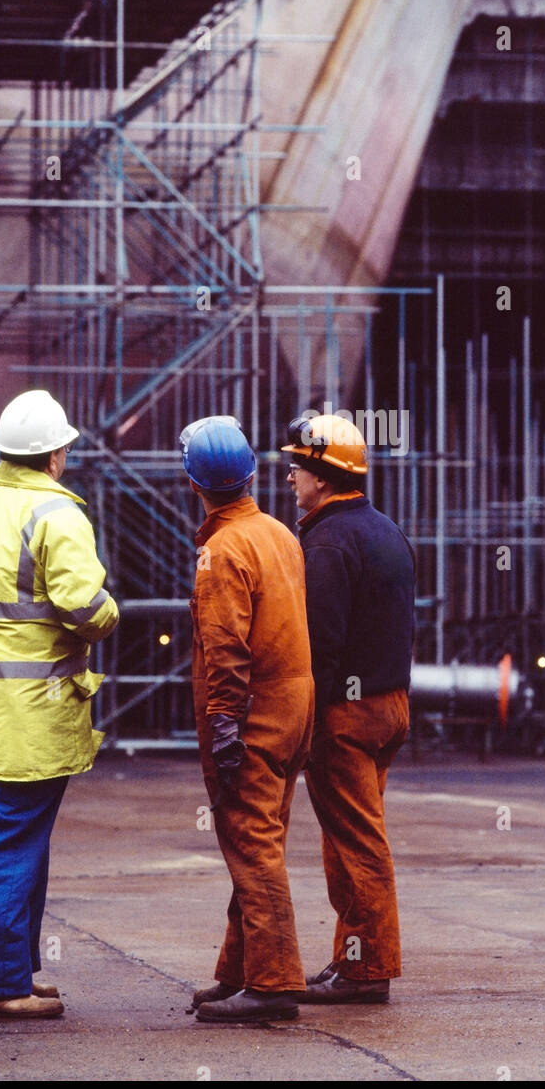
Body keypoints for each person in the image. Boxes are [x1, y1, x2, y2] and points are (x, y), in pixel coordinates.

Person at [0, 390, 119, 1020]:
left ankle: (14, 972)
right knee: (9, 843)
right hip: (37, 709)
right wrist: (110, 613)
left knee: (22, 839)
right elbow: (85, 609)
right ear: (55, 455)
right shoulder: (57, 515)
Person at [183, 415, 315, 1024]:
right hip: (294, 709)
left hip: (252, 712)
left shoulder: (222, 550)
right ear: (251, 475)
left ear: (194, 484)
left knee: (252, 845)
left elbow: (226, 647)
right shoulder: (279, 534)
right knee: (257, 840)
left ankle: (272, 983)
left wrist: (225, 724)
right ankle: (239, 972)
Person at [282, 413, 415, 1004]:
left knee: (357, 843)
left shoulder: (328, 543)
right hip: (389, 707)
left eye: (298, 466)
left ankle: (367, 971)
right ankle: (353, 960)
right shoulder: (385, 529)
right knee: (348, 838)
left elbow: (322, 645)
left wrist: (307, 725)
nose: (289, 475)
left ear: (323, 476)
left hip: (346, 716)